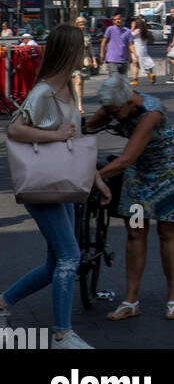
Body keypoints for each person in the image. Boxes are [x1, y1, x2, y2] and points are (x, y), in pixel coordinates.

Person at [1, 24, 111, 350]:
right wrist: (55, 136)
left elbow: (74, 141)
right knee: (69, 256)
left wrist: (98, 181)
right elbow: (15, 130)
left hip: (62, 182)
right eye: (82, 47)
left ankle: (3, 304)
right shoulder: (44, 92)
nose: (86, 53)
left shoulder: (69, 89)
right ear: (69, 51)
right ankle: (62, 334)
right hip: (42, 184)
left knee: (55, 264)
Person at [85, 73, 174, 321]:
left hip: (168, 169)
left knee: (167, 230)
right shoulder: (114, 105)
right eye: (108, 111)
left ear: (130, 103)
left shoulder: (151, 112)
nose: (111, 116)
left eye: (114, 112)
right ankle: (131, 301)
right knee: (135, 231)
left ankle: (173, 299)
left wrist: (93, 177)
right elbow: (87, 128)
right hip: (138, 173)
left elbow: (126, 159)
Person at [100, 12, 139, 82]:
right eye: (115, 19)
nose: (118, 21)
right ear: (113, 21)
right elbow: (103, 42)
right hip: (112, 60)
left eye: (119, 19)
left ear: (122, 19)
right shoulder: (110, 29)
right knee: (115, 80)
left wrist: (134, 54)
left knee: (123, 81)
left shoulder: (127, 31)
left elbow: (130, 44)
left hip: (123, 60)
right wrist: (102, 55)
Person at [73, 14, 96, 114]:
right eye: (80, 24)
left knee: (81, 83)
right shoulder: (72, 36)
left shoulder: (87, 37)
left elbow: (91, 50)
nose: (82, 26)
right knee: (77, 81)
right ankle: (77, 105)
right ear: (77, 25)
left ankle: (79, 102)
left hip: (84, 62)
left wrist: (94, 60)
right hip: (75, 62)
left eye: (84, 24)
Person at [130, 17, 156, 88]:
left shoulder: (137, 31)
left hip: (137, 49)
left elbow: (129, 35)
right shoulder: (144, 31)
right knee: (142, 63)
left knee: (135, 64)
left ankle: (135, 79)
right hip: (144, 48)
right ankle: (150, 74)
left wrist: (132, 27)